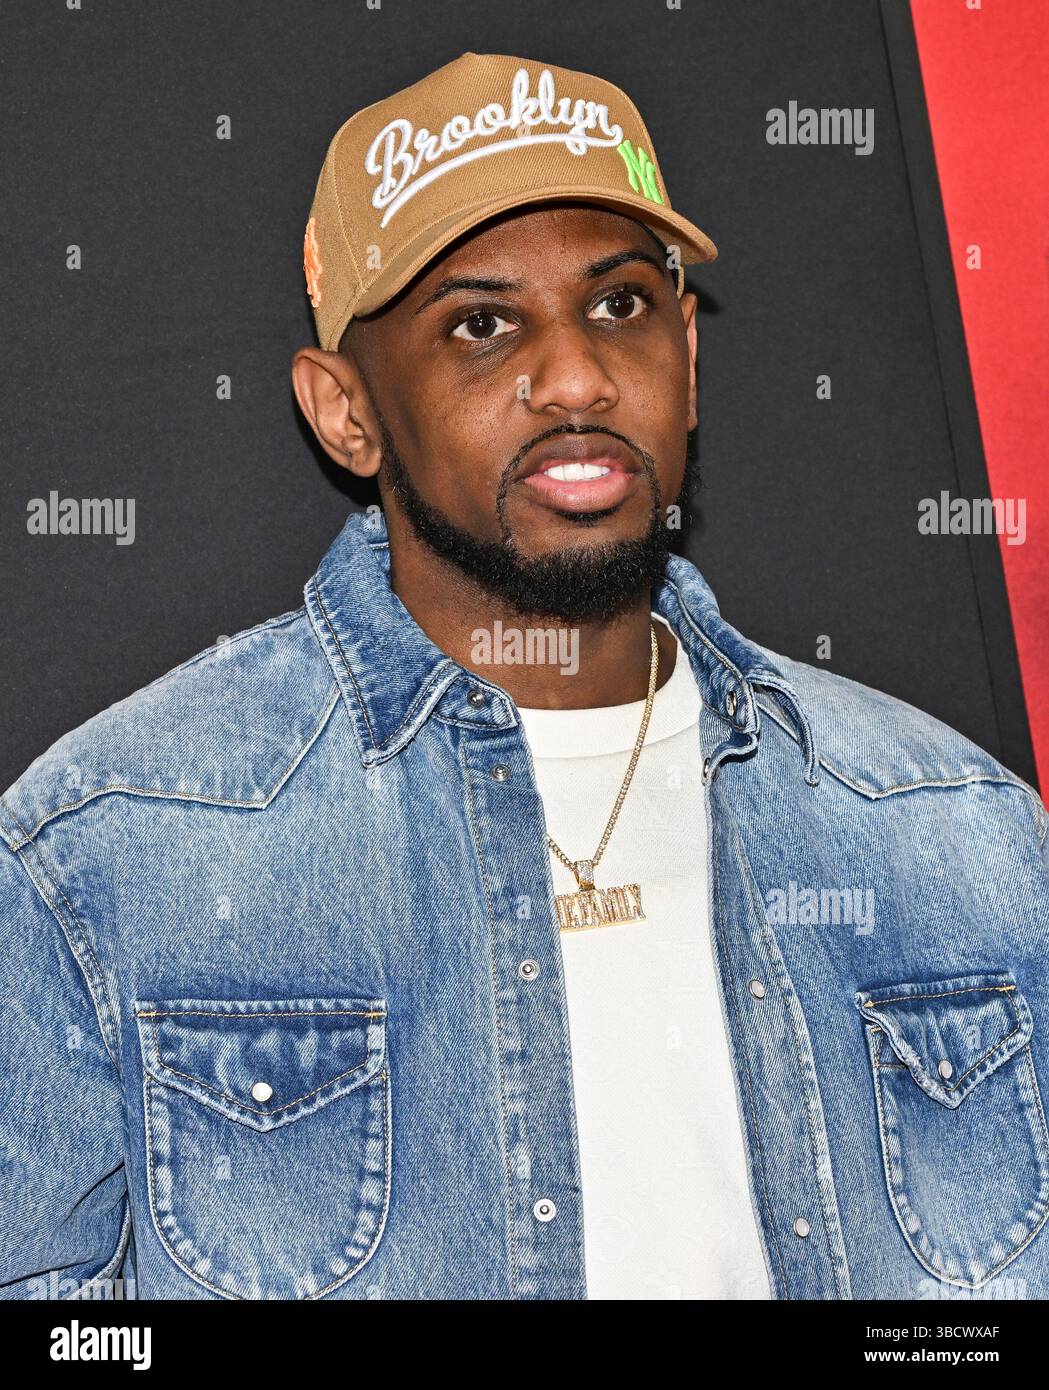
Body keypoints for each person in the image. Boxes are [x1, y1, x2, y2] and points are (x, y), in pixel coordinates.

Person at [1, 51, 1047, 1302]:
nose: (576, 378)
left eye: (618, 305)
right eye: (480, 323)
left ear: (690, 360)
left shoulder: (960, 837)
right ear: (346, 412)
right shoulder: (111, 850)